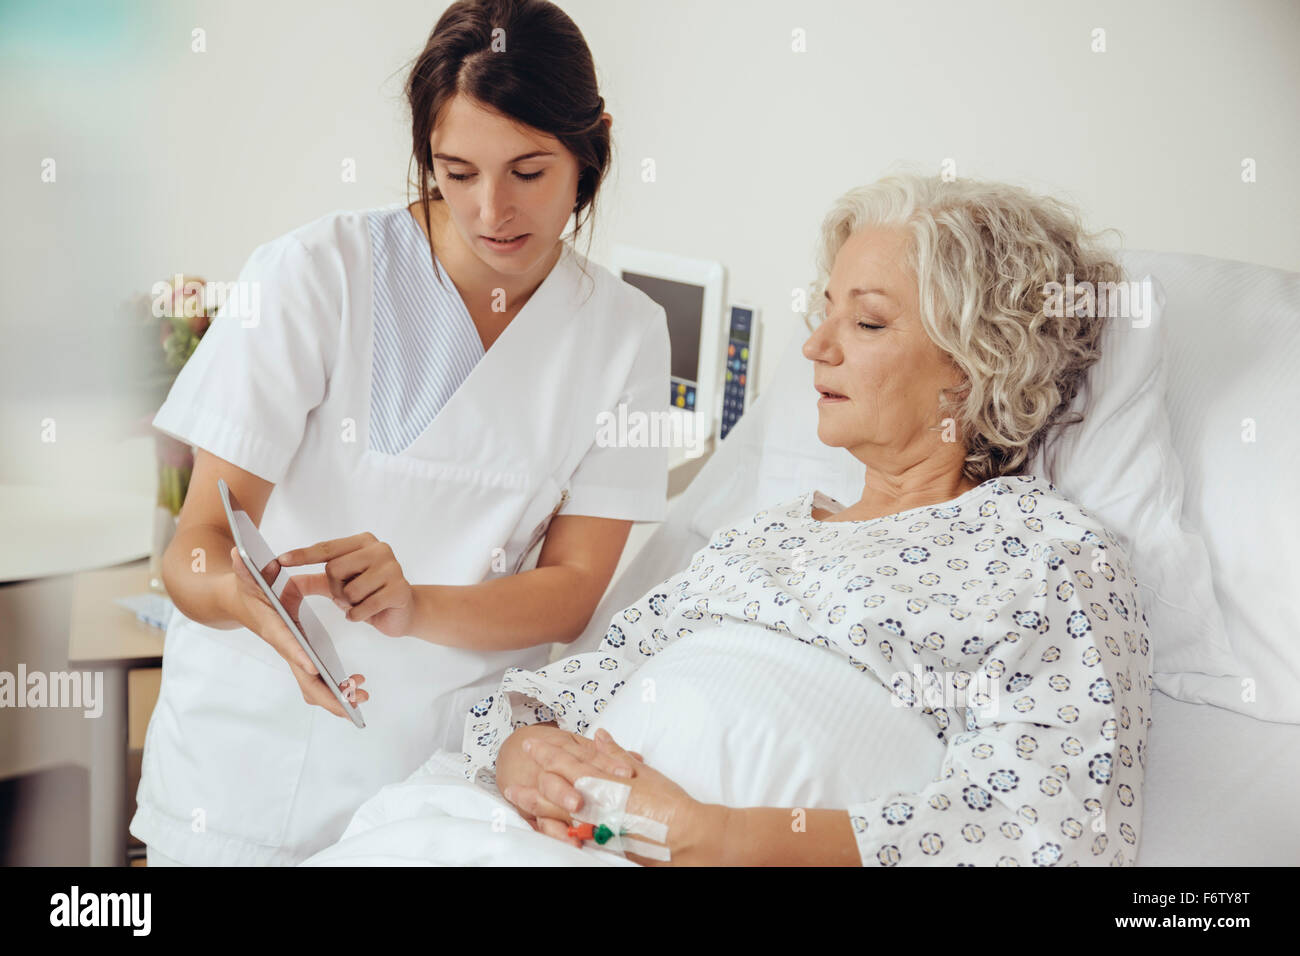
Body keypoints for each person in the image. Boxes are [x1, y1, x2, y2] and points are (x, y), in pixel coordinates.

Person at [431, 174, 1151, 866]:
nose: (816, 346)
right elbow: (588, 680)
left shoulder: (1050, 555)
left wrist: (717, 841)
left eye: (867, 321)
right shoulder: (767, 533)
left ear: (975, 361)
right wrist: (523, 753)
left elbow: (1048, 834)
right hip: (551, 837)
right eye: (825, 311)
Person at [131, 0, 670, 866]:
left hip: (437, 787)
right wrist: (250, 602)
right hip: (245, 769)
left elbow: (573, 588)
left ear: (591, 147)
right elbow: (193, 546)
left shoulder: (626, 334)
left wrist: (417, 606)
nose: (491, 210)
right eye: (457, 171)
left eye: (529, 172)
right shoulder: (317, 275)